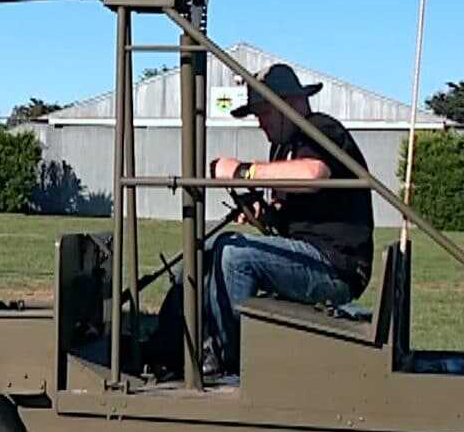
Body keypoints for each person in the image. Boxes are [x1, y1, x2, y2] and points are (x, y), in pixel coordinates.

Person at [151, 63, 375, 378]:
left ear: (289, 104)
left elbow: (312, 174)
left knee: (234, 254)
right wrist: (264, 213)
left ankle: (225, 361)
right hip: (308, 254)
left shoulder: (321, 129)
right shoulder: (283, 147)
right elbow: (294, 213)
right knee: (204, 248)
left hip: (336, 266)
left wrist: (243, 171)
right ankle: (167, 347)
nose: (260, 123)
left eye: (264, 113)